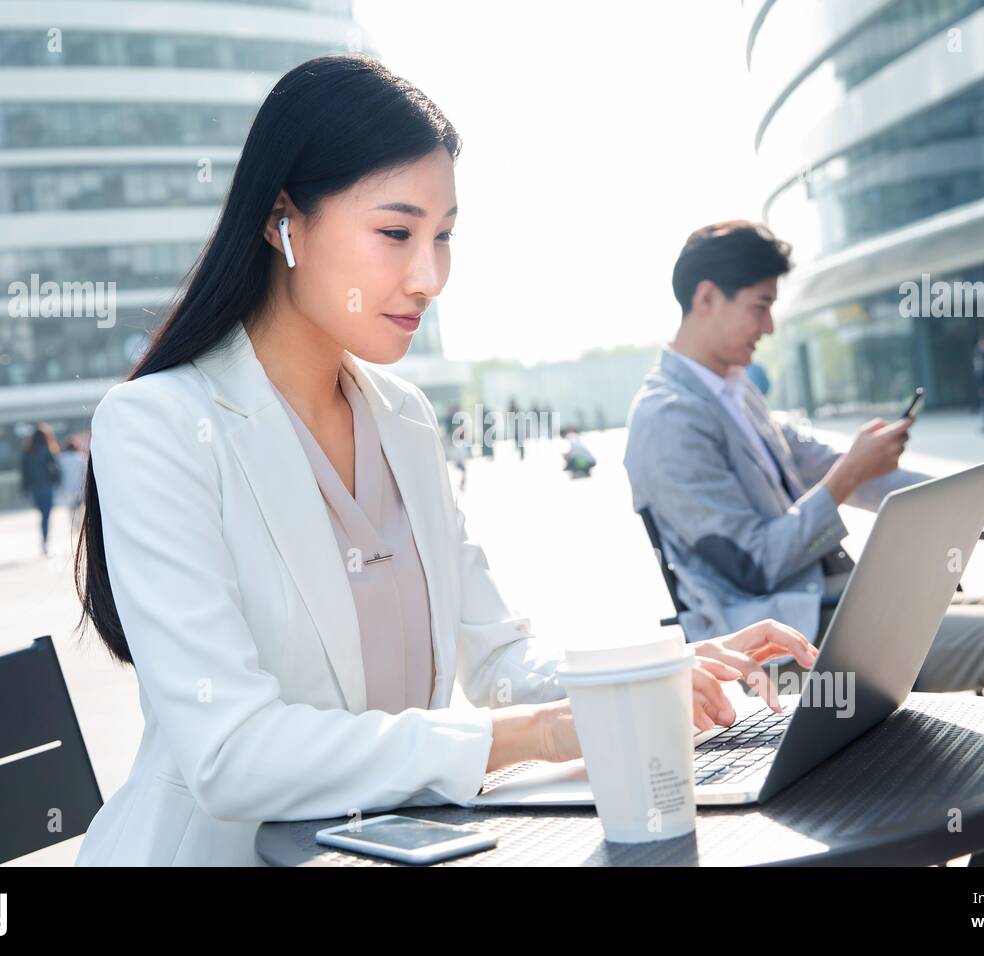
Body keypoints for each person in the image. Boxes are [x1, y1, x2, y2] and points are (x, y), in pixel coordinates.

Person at [72, 57, 816, 867]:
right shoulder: (157, 427)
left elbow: (497, 658)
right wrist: (535, 733)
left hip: (389, 853)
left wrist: (645, 675)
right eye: (395, 232)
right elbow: (232, 755)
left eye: (444, 236)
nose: (429, 277)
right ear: (282, 220)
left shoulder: (404, 421)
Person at [624, 220, 984, 866]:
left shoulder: (734, 394)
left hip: (838, 611)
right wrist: (849, 475)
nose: (769, 327)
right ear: (707, 297)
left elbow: (848, 466)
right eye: (760, 305)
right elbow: (756, 564)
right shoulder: (666, 419)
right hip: (789, 642)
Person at [19, 422, 62, 556]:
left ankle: (43, 541)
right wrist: (56, 481)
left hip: (34, 488)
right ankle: (44, 541)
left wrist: (25, 489)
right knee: (46, 515)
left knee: (42, 515)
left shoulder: (27, 452)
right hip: (46, 487)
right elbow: (55, 469)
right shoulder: (48, 451)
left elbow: (24, 473)